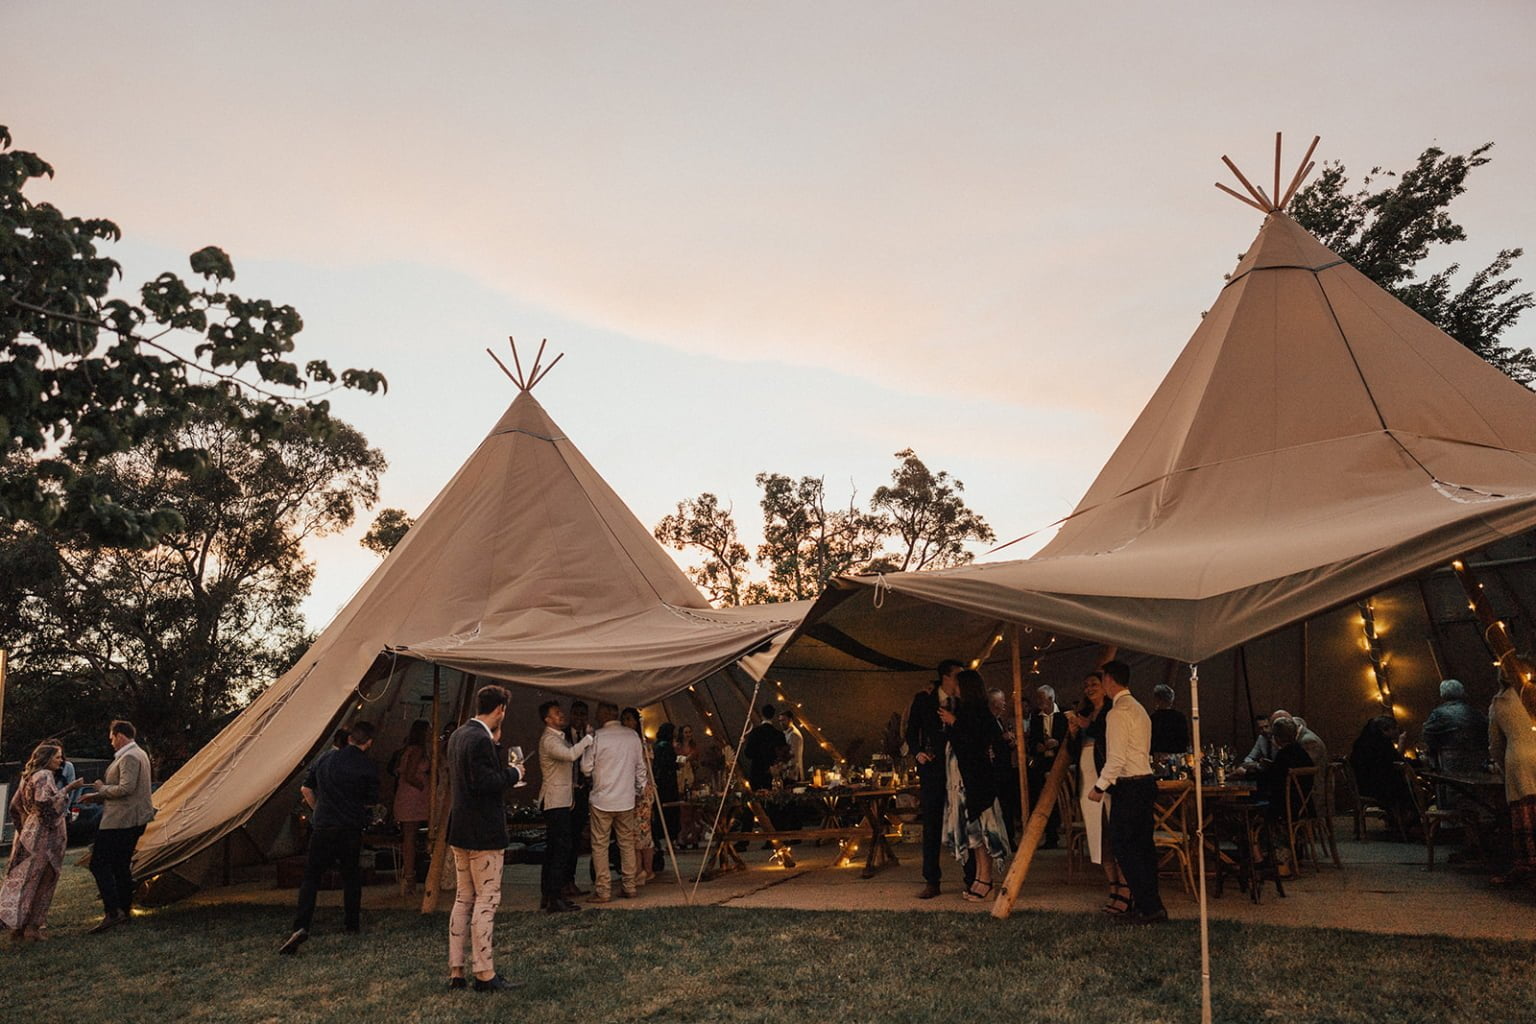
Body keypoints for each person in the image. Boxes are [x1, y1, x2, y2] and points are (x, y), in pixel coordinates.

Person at [444, 685, 524, 992]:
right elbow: (485, 783)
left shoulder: (458, 736)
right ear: (500, 709)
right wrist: (514, 774)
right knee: (486, 900)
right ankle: (485, 973)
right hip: (483, 832)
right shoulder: (479, 739)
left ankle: (456, 970)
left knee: (464, 898)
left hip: (460, 828)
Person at [278, 721, 381, 954]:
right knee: (351, 876)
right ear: (369, 742)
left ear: (349, 738)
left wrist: (318, 811)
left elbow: (305, 789)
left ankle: (302, 924)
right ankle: (351, 924)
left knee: (311, 877)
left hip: (323, 826)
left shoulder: (325, 759)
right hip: (349, 828)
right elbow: (370, 801)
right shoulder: (366, 765)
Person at [1090, 660, 1166, 925]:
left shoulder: (1118, 712)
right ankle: (1151, 905)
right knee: (1143, 847)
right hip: (1145, 783)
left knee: (1124, 847)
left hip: (1130, 785)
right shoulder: (1140, 709)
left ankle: (1148, 906)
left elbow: (1117, 757)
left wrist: (1100, 786)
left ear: (1109, 680)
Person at [2, 742, 89, 941]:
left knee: (25, 879)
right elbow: (46, 806)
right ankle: (33, 927)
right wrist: (69, 789)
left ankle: (18, 926)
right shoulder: (44, 776)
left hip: (29, 832)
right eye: (58, 757)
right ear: (47, 758)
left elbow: (15, 806)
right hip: (46, 836)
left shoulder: (28, 778)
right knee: (45, 879)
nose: (61, 761)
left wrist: (23, 828)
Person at [939, 669, 1012, 901]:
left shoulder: (979, 712)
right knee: (974, 835)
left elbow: (976, 742)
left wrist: (955, 723)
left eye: (959, 685)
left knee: (983, 831)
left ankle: (986, 879)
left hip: (977, 782)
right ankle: (980, 878)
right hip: (963, 783)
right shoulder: (963, 709)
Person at [79, 720, 155, 934]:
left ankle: (113, 911)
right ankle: (124, 909)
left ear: (120, 735)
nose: (111, 743)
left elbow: (126, 788)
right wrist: (96, 797)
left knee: (99, 863)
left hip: (121, 821)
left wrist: (101, 788)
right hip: (131, 819)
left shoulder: (130, 756)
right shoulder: (140, 754)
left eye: (112, 738)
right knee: (120, 865)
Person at [1066, 671, 1126, 914]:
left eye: (1093, 684)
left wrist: (1088, 726)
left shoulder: (1113, 712)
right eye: (1086, 685)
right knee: (1098, 837)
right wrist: (1073, 732)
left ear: (1104, 685)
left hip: (1106, 778)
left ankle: (1125, 888)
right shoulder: (1085, 713)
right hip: (1086, 777)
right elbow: (1073, 751)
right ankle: (1112, 887)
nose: (1089, 688)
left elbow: (1110, 740)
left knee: (1114, 833)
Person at [581, 702, 648, 903]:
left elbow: (585, 767)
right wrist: (639, 789)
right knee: (626, 843)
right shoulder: (632, 736)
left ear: (603, 714)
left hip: (602, 798)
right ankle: (629, 885)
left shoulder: (598, 737)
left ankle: (603, 889)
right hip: (626, 799)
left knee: (600, 845)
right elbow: (640, 768)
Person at [907, 659, 962, 899]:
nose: (959, 681)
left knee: (962, 819)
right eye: (957, 676)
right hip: (932, 769)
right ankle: (932, 879)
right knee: (931, 823)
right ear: (945, 677)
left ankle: (971, 877)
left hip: (959, 769)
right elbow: (911, 730)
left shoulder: (963, 701)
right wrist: (917, 751)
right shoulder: (924, 699)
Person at [537, 700, 593, 913]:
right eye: (556, 713)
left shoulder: (557, 738)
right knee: (560, 848)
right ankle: (554, 896)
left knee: (556, 848)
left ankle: (552, 893)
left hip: (562, 800)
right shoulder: (550, 740)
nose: (562, 715)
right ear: (547, 719)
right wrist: (589, 738)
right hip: (555, 800)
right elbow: (570, 755)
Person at [1488, 668, 1536, 886]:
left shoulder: (1500, 703)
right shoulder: (1531, 696)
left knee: (1524, 814)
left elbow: (1495, 742)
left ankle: (1528, 863)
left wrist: (1501, 765)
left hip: (1517, 760)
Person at [1349, 715, 1414, 836]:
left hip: (1362, 785)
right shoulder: (1381, 743)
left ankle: (1396, 822)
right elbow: (1396, 761)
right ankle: (1409, 825)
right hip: (1377, 788)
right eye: (1395, 729)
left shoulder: (1362, 741)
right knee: (1410, 790)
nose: (1396, 732)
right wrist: (1401, 742)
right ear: (1385, 730)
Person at [391, 719, 432, 896]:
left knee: (411, 836)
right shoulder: (417, 750)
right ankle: (409, 876)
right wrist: (423, 785)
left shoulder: (408, 750)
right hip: (413, 796)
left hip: (411, 795)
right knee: (410, 836)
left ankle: (409, 875)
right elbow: (409, 775)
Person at [1027, 685, 1067, 849]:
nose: (1038, 702)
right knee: (1043, 800)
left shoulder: (1064, 715)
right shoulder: (1036, 718)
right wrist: (1037, 747)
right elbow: (1031, 741)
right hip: (1042, 764)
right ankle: (1050, 836)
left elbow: (1071, 738)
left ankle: (1066, 831)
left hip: (1060, 763)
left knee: (1062, 800)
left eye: (1041, 699)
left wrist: (1057, 743)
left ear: (1051, 699)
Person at [620, 707, 657, 885]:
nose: (627, 723)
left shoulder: (642, 744)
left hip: (642, 791)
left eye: (629, 719)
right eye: (624, 719)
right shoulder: (623, 743)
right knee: (633, 832)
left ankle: (647, 870)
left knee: (642, 831)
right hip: (628, 790)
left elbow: (645, 768)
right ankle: (638, 868)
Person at [562, 700, 593, 898]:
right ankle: (563, 881)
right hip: (566, 792)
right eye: (577, 714)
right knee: (566, 839)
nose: (579, 718)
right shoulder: (563, 735)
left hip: (582, 792)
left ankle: (571, 879)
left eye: (583, 714)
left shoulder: (588, 737)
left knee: (576, 839)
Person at [987, 688, 1022, 843]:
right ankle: (1005, 837)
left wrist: (1011, 744)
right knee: (1002, 805)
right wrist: (1003, 739)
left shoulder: (999, 720)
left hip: (1005, 768)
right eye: (1002, 700)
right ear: (995, 703)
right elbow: (990, 743)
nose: (1004, 703)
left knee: (1008, 804)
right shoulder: (988, 721)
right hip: (996, 771)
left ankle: (1009, 836)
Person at [652, 722, 681, 846]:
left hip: (660, 782)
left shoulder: (657, 745)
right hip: (667, 783)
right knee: (670, 810)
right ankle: (670, 836)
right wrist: (677, 764)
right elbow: (667, 763)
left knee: (662, 810)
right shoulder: (665, 746)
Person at [743, 704, 784, 792]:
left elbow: (748, 753)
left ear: (762, 715)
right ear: (773, 716)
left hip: (756, 772)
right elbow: (783, 755)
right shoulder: (779, 734)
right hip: (773, 773)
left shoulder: (755, 732)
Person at [1149, 684, 1191, 755]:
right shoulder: (1180, 717)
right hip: (1177, 757)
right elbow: (1185, 741)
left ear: (1158, 700)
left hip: (1157, 757)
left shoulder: (1154, 718)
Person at [778, 709, 806, 782]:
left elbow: (794, 757)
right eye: (780, 721)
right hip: (788, 773)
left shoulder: (794, 735)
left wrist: (781, 767)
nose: (781, 723)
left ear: (790, 720)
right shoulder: (786, 733)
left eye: (783, 720)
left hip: (793, 775)